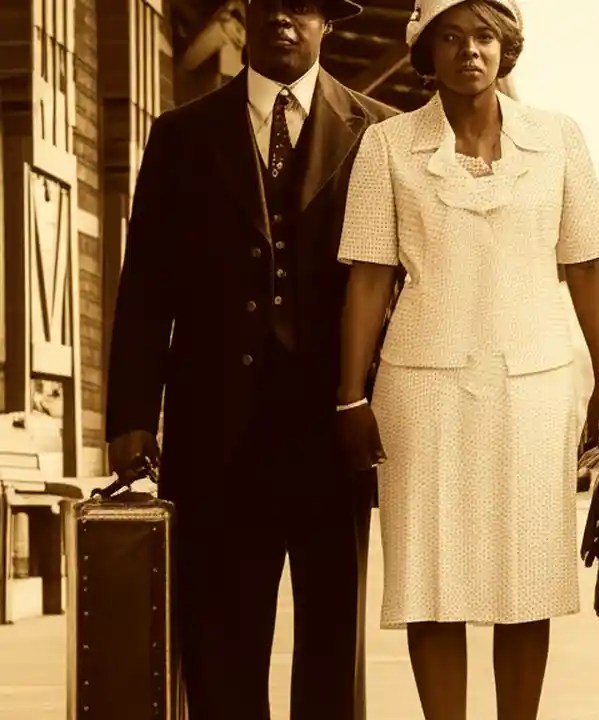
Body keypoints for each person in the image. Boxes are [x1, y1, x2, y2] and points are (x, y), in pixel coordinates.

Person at [103, 0, 398, 717]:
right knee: (221, 639)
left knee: (333, 636)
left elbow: (404, 283)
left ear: (330, 23)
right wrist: (132, 415)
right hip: (216, 429)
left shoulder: (381, 134)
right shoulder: (180, 135)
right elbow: (145, 282)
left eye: (302, 7)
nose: (283, 20)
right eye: (267, 5)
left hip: (334, 427)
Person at [332, 1, 599, 718]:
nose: (469, 51)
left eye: (484, 36)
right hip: (421, 395)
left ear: (507, 49)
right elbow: (369, 278)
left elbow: (587, 268)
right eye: (451, 38)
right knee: (434, 582)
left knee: (525, 582)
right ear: (425, 52)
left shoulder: (559, 139)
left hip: (535, 391)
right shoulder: (388, 145)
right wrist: (349, 397)